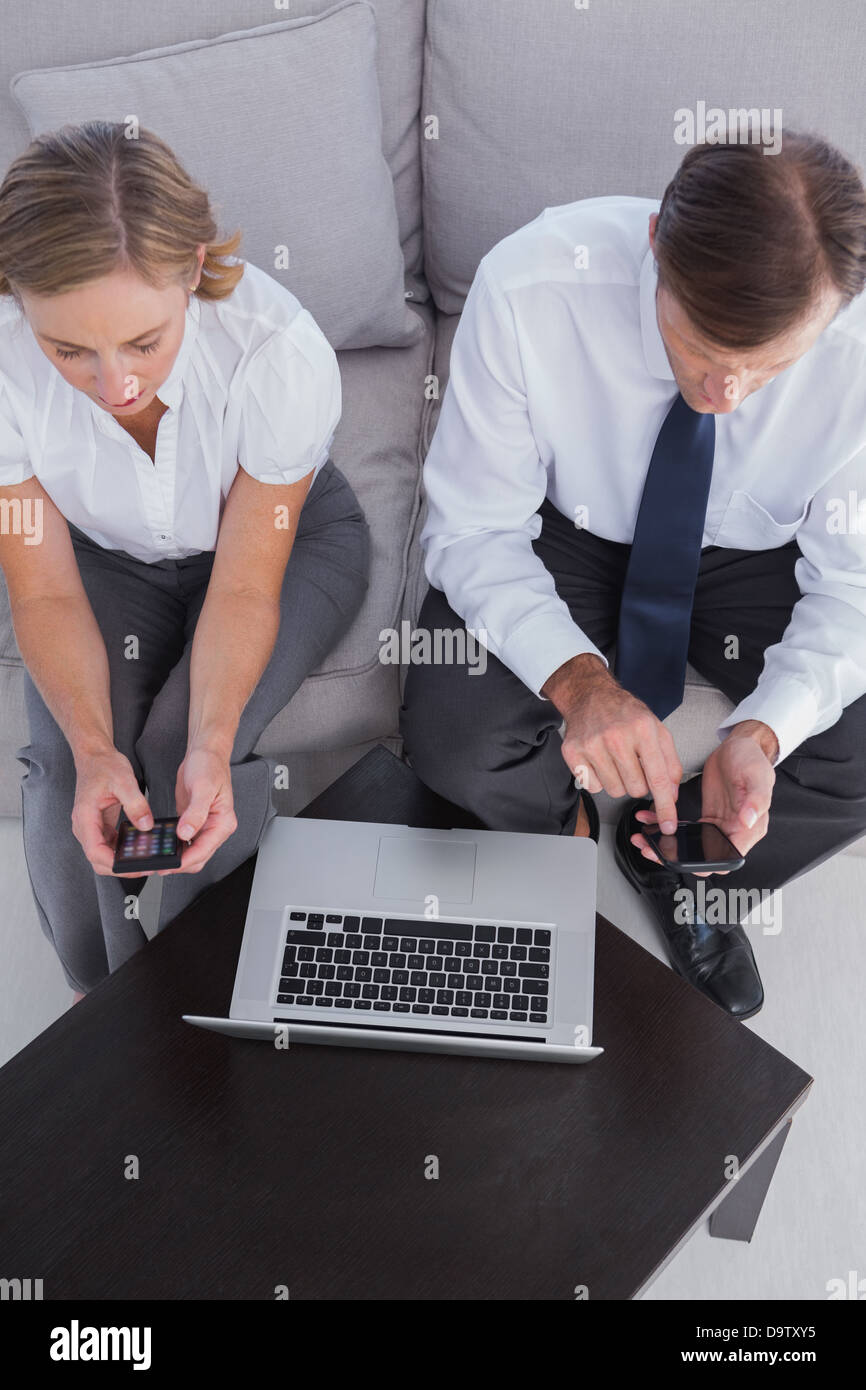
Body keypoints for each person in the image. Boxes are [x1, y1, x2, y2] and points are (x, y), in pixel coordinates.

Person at [400, 130, 866, 1019]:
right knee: (452, 734)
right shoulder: (530, 287)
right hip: (569, 529)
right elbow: (473, 528)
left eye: (768, 366)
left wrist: (764, 732)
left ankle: (682, 865)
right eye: (702, 347)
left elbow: (854, 588)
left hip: (755, 555)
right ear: (657, 245)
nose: (725, 395)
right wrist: (578, 684)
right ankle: (560, 835)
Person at [0, 121, 369, 999]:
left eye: (142, 341)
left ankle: (224, 1014)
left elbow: (244, 583)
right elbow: (44, 591)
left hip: (279, 544)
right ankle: (119, 1025)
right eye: (68, 351)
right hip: (103, 560)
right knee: (66, 795)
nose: (114, 385)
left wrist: (208, 739)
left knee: (181, 756)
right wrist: (92, 749)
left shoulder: (275, 354)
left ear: (195, 267)